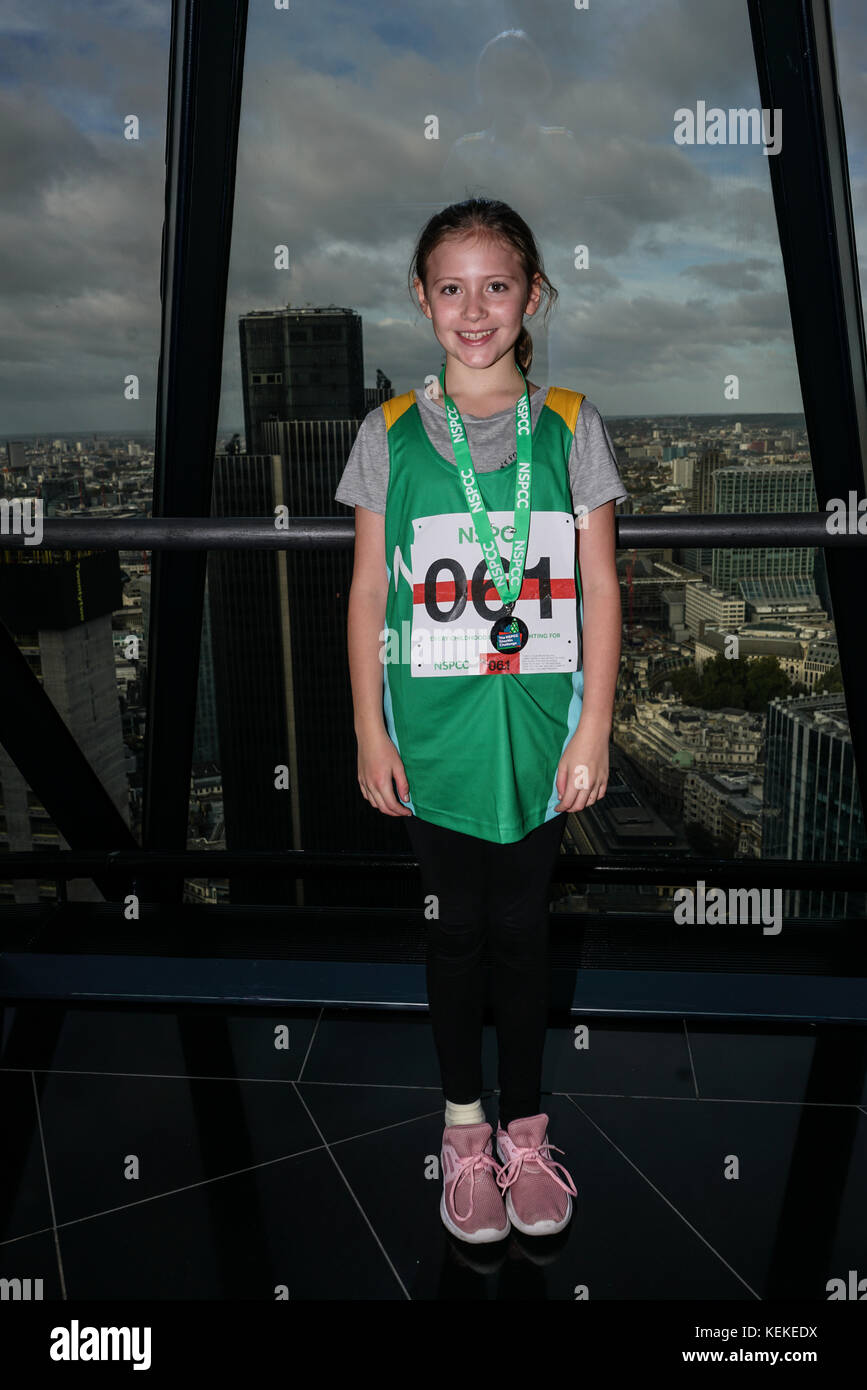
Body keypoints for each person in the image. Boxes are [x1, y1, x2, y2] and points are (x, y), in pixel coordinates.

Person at [335, 197, 628, 1244]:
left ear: (532, 295)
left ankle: (525, 1129)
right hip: (436, 730)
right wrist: (370, 728)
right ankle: (464, 1132)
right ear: (422, 301)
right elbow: (371, 590)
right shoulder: (390, 435)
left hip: (540, 735)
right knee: (454, 931)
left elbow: (599, 585)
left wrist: (594, 724)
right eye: (450, 287)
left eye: (495, 285)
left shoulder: (571, 422)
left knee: (522, 930)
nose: (473, 308)